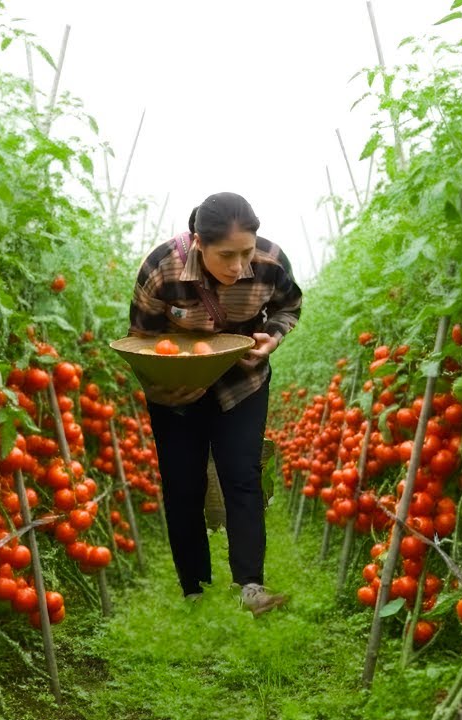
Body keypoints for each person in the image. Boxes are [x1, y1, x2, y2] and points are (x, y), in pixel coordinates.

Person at [128, 192, 302, 615]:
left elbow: (289, 306)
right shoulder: (161, 269)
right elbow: (141, 338)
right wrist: (161, 387)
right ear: (199, 243)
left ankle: (251, 586)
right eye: (227, 255)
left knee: (242, 476)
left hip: (242, 380)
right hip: (178, 387)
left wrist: (272, 338)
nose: (239, 266)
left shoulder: (271, 263)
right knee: (183, 484)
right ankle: (194, 589)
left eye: (245, 253)